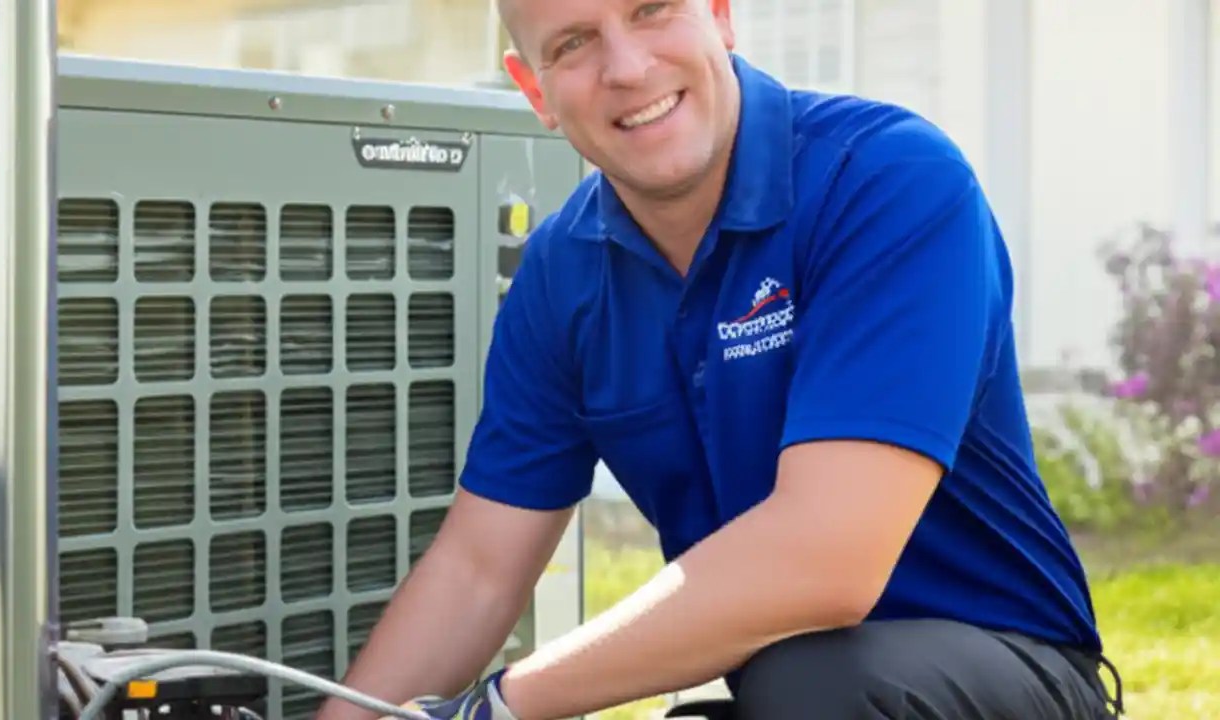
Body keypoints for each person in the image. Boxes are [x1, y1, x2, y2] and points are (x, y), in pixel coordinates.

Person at [315, 0, 1124, 718]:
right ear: (536, 92)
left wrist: (500, 706)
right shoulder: (562, 274)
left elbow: (827, 561)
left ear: (722, 14)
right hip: (785, 685)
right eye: (574, 43)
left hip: (1007, 675)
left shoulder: (887, 180)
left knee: (812, 685)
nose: (628, 68)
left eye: (652, 9)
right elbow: (479, 568)